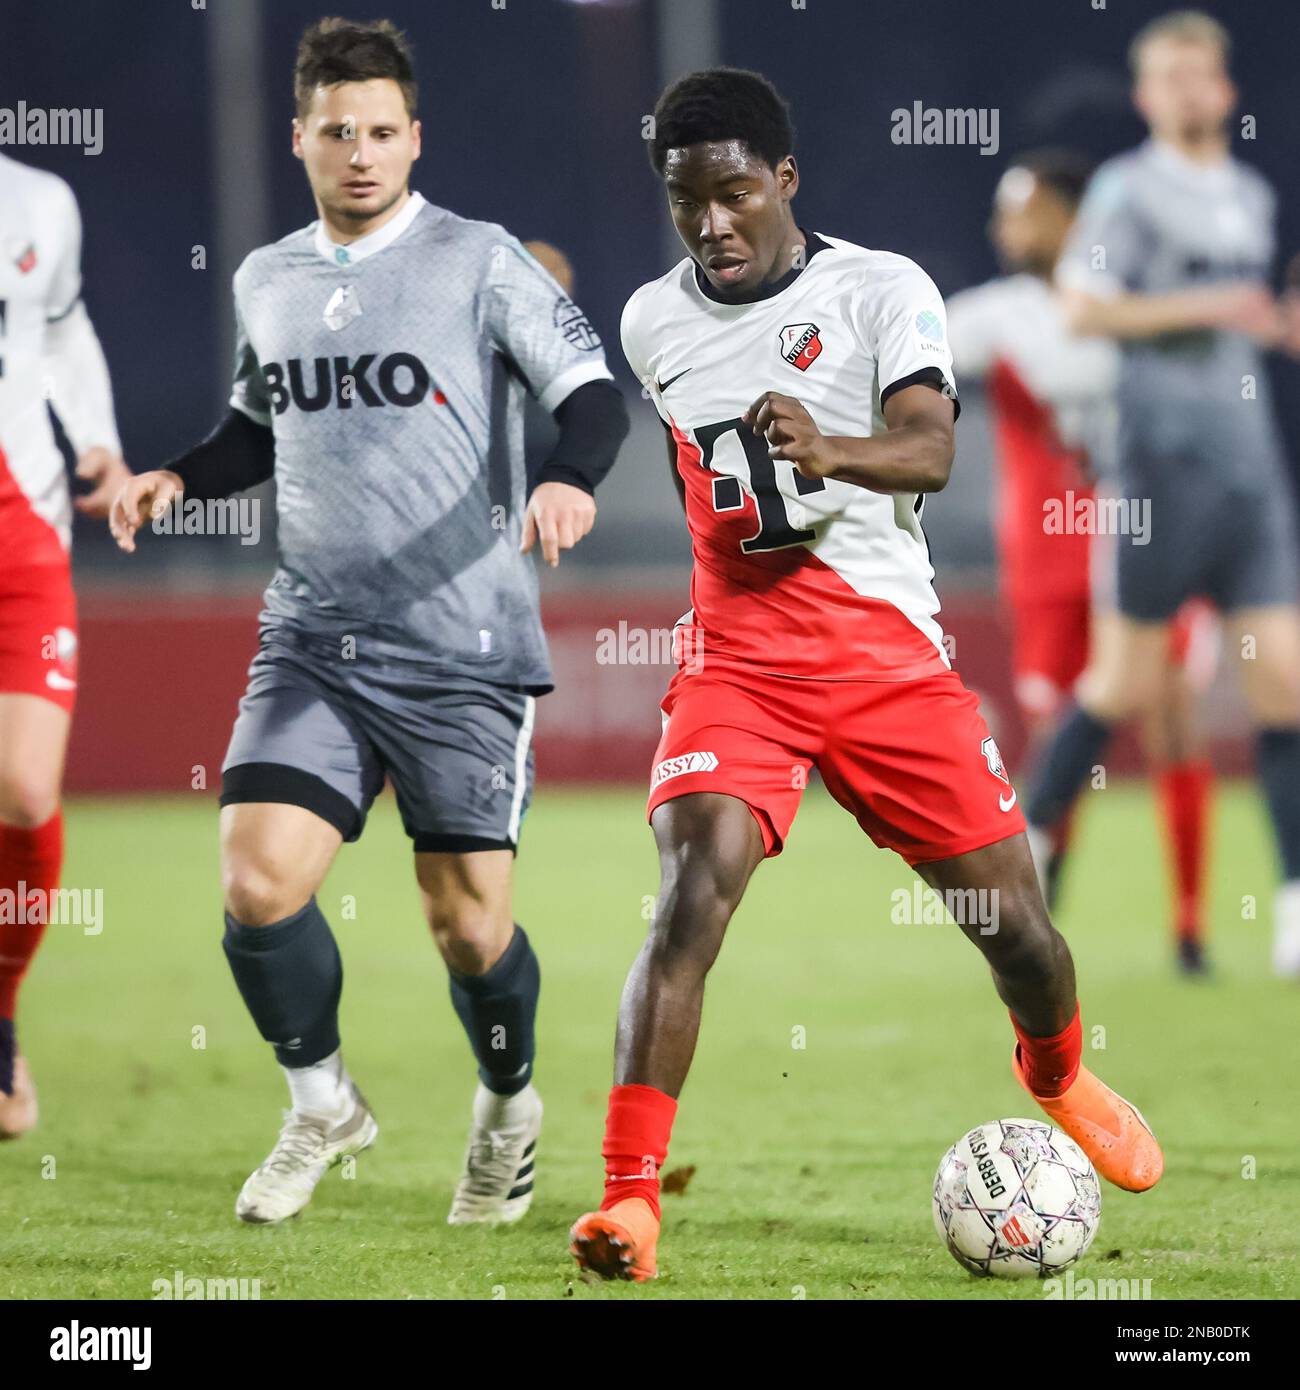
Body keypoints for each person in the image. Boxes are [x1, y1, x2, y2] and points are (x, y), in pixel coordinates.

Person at [569, 67, 1162, 1284]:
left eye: (735, 194)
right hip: (738, 659)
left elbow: (934, 450)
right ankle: (630, 1202)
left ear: (784, 180)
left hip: (885, 658)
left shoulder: (883, 287)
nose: (712, 224)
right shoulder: (650, 320)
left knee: (1024, 939)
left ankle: (1052, 1069)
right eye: (688, 202)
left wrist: (828, 444)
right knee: (691, 891)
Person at [109, 18, 627, 1224]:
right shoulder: (268, 277)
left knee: (466, 926)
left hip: (464, 647)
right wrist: (179, 477)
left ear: (413, 140)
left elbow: (592, 394)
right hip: (312, 636)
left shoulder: (480, 258)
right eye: (336, 132)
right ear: (300, 139)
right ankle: (321, 1102)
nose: (359, 152)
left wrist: (569, 479)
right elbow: (258, 425)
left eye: (381, 132)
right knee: (256, 880)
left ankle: (507, 1109)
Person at [1021, 11, 1300, 978]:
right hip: (1160, 478)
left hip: (1250, 473)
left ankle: (1294, 910)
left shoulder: (1253, 197)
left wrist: (1272, 325)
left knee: (1287, 684)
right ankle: (1031, 842)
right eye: (1170, 76)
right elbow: (1083, 304)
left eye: (1203, 74)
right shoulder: (1128, 191)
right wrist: (1207, 305)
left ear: (1225, 89)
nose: (1190, 90)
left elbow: (1244, 322)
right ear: (1147, 96)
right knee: (1123, 686)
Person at [946, 150, 1218, 972]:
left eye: (1019, 209)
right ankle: (1045, 901)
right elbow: (910, 349)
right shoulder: (993, 315)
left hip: (1141, 539)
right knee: (1059, 727)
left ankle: (1190, 927)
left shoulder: (1126, 298)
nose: (1003, 227)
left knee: (1171, 710)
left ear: (1067, 215)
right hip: (1042, 556)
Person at [0, 151, 129, 1138]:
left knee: (25, 790)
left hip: (22, 528)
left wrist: (95, 433)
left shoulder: (38, 201)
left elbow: (60, 323)